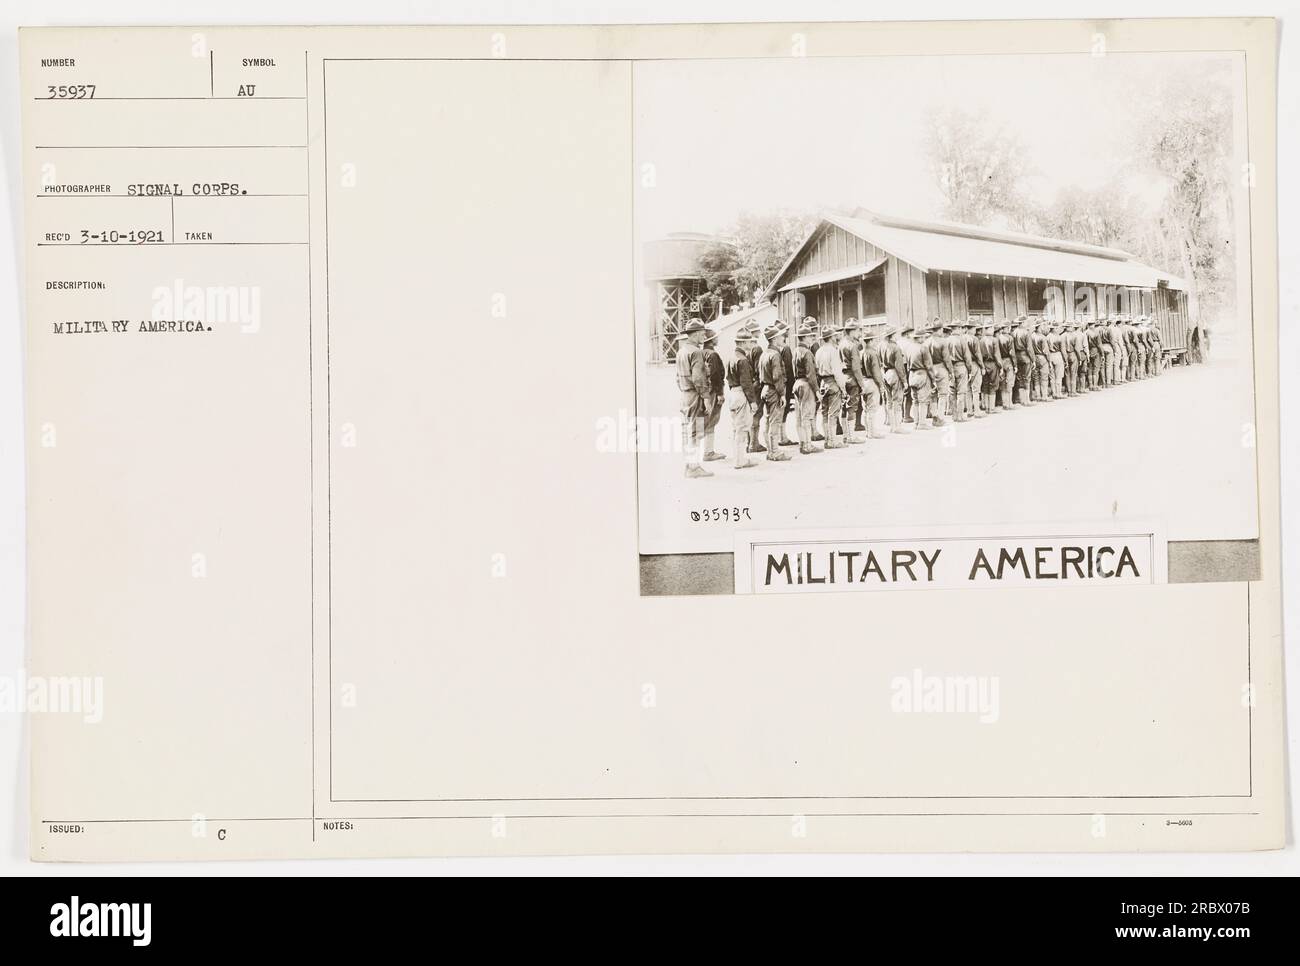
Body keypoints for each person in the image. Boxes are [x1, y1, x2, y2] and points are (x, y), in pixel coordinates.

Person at [675, 318, 713, 478]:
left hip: (685, 395)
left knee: (688, 431)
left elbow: (677, 377)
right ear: (696, 334)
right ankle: (694, 467)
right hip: (695, 395)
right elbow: (698, 378)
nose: (704, 336)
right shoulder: (696, 352)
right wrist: (705, 397)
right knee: (695, 431)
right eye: (702, 333)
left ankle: (690, 465)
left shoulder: (682, 351)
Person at [900, 319, 948, 429]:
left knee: (915, 400)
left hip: (912, 375)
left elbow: (907, 364)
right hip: (922, 375)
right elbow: (929, 366)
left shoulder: (909, 348)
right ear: (920, 337)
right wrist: (933, 380)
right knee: (923, 400)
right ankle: (922, 423)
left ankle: (916, 423)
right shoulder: (923, 348)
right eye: (923, 337)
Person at [725, 327, 760, 469]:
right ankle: (740, 460)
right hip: (742, 394)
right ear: (743, 343)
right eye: (749, 341)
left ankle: (738, 458)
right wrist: (752, 402)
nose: (750, 344)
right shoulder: (743, 360)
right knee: (743, 429)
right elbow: (746, 383)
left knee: (736, 428)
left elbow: (728, 378)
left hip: (733, 393)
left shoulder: (731, 357)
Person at [757, 325, 791, 461]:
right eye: (780, 336)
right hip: (773, 390)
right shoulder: (775, 354)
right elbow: (777, 376)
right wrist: (782, 394)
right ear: (774, 339)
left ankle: (770, 451)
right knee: (775, 421)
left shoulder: (764, 354)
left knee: (767, 421)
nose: (783, 338)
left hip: (765, 389)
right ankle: (775, 452)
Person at [815, 323, 850, 448]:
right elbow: (837, 372)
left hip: (823, 383)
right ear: (831, 337)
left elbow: (817, 369)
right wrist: (843, 388)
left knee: (824, 413)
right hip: (833, 382)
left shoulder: (819, 351)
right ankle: (833, 441)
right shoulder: (833, 351)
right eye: (834, 335)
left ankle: (827, 440)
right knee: (833, 413)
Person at [790, 320, 823, 455]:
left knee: (799, 417)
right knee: (807, 416)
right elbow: (811, 374)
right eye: (809, 336)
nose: (811, 338)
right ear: (803, 337)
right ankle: (807, 445)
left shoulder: (796, 350)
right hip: (806, 384)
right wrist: (817, 390)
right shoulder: (807, 353)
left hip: (797, 383)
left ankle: (802, 443)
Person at [698, 328, 727, 462]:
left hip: (703, 390)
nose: (718, 339)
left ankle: (701, 451)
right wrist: (720, 393)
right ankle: (708, 452)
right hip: (712, 391)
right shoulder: (713, 355)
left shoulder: (700, 353)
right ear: (711, 340)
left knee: (701, 421)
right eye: (716, 337)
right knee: (712, 420)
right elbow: (715, 375)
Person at [839, 319, 868, 445]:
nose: (859, 333)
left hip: (843, 377)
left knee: (844, 408)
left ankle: (846, 435)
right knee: (852, 407)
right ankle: (851, 437)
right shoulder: (853, 346)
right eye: (857, 330)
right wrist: (862, 384)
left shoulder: (841, 344)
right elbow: (856, 368)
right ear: (851, 331)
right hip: (852, 377)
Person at [744, 320, 767, 453]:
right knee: (757, 414)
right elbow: (759, 370)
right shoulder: (757, 348)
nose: (759, 332)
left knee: (749, 415)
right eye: (757, 330)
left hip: (747, 385)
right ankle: (754, 443)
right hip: (755, 385)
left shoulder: (746, 348)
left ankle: (749, 443)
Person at [775, 321, 798, 447]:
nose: (788, 332)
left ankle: (780, 435)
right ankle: (782, 436)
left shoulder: (777, 348)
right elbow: (788, 369)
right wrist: (791, 385)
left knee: (779, 410)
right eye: (786, 330)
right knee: (784, 410)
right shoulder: (786, 348)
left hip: (779, 383)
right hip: (786, 383)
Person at [978, 320, 1001, 413]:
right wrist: (1000, 366)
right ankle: (992, 408)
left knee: (985, 385)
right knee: (993, 386)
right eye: (992, 328)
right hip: (993, 364)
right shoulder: (994, 340)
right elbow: (997, 355)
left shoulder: (981, 340)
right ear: (990, 329)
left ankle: (986, 407)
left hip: (984, 364)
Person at [1012, 315, 1035, 406]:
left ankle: (1022, 400)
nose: (1027, 323)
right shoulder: (1026, 333)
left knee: (1020, 378)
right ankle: (1027, 400)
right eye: (1026, 322)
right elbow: (1029, 348)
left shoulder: (1014, 332)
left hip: (1017, 356)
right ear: (1023, 323)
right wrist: (1033, 360)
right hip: (1025, 356)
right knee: (1027, 378)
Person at [996, 321, 1017, 409]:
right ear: (1006, 328)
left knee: (1003, 383)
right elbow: (1012, 353)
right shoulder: (1010, 338)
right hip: (1008, 361)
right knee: (1010, 383)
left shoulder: (997, 338)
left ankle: (1004, 403)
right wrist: (1015, 364)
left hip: (1000, 361)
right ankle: (1009, 403)